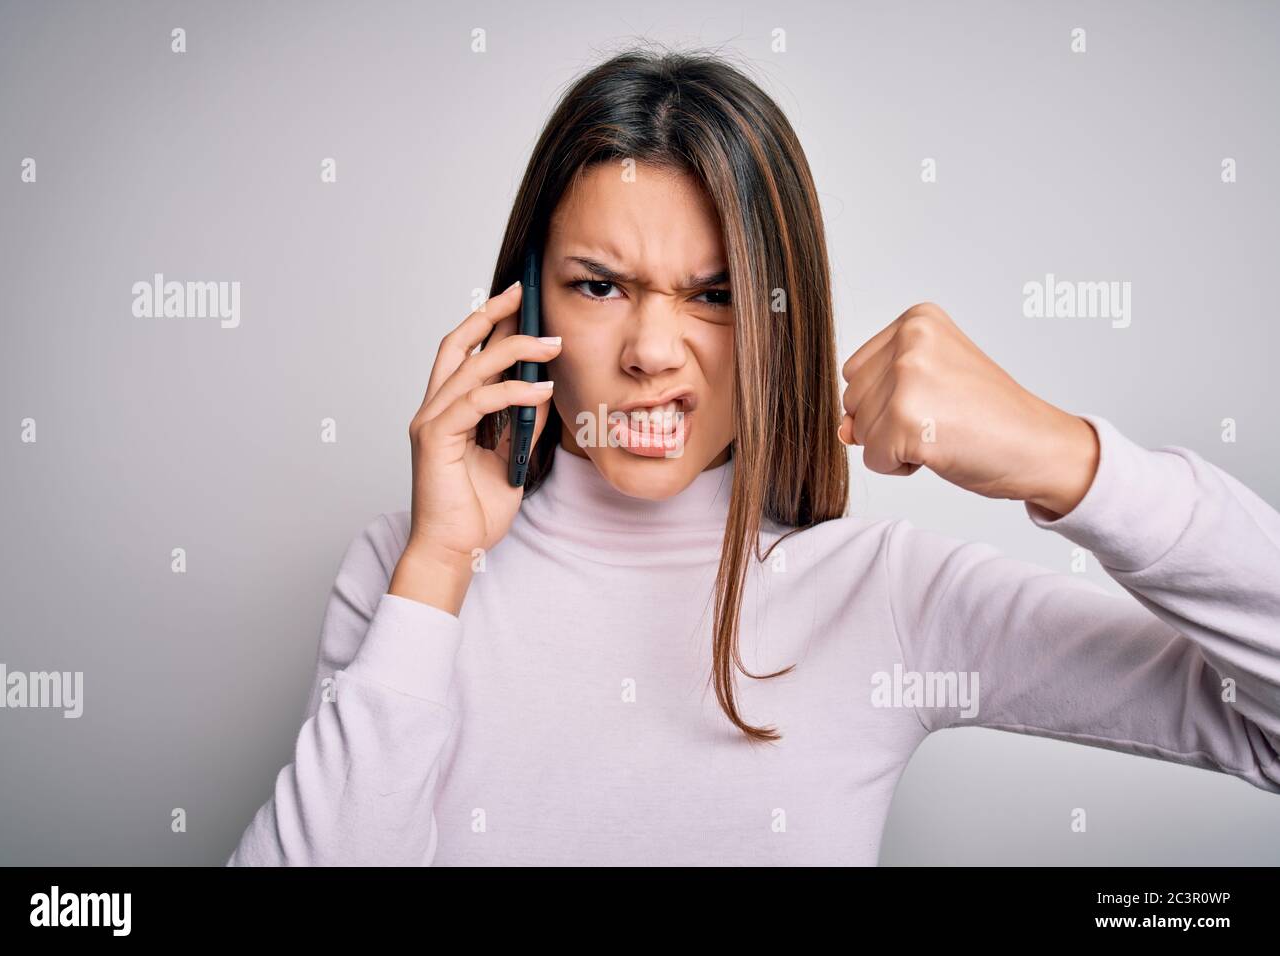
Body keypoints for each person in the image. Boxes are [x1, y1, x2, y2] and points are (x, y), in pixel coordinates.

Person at [226, 47, 1280, 866]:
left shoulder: (884, 597)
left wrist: (1069, 459)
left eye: (715, 294)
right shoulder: (406, 576)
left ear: (782, 313)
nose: (649, 352)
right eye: (600, 284)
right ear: (527, 295)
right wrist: (436, 568)